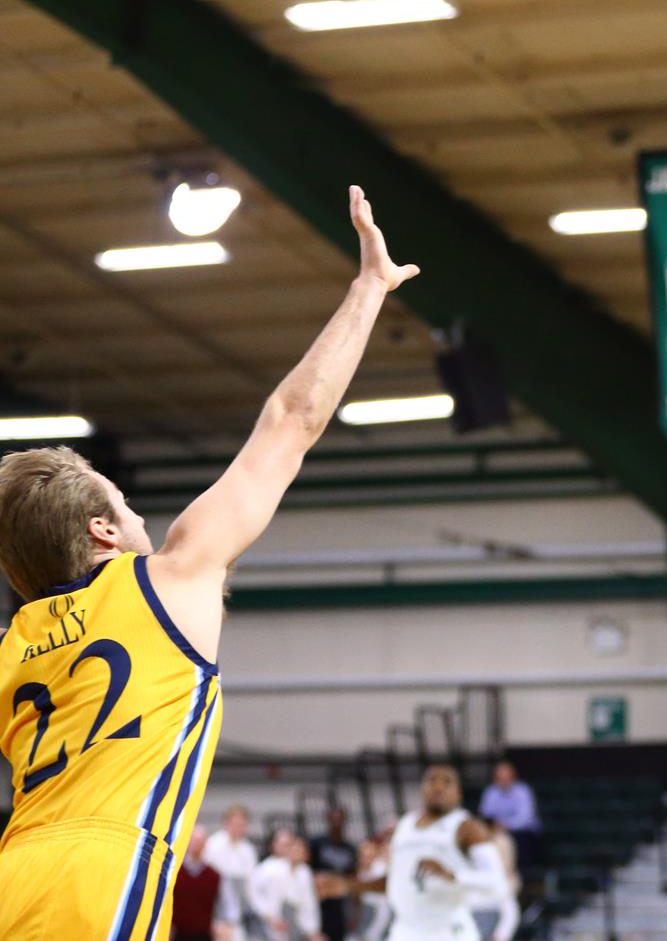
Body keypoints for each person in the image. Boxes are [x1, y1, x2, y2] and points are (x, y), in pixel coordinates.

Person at [0, 186, 415, 938]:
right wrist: (368, 288)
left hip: (13, 866)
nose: (141, 519)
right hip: (101, 871)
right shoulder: (169, 576)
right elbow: (292, 421)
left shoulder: (13, 644)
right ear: (101, 532)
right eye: (125, 506)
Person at [350, 765, 510, 941]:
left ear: (459, 793)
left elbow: (498, 883)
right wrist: (346, 886)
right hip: (405, 930)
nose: (438, 787)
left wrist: (451, 874)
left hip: (448, 931)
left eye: (447, 782)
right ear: (421, 789)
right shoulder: (404, 826)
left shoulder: (468, 828)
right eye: (431, 781)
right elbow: (395, 881)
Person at [249, 830, 323, 941]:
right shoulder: (265, 869)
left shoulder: (304, 872)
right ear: (273, 845)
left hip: (295, 924)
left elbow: (308, 903)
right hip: (271, 924)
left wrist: (312, 930)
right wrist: (270, 918)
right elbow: (254, 895)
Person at [476, 761, 541, 872]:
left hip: (522, 833)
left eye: (506, 777)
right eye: (500, 777)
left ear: (513, 777)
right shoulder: (491, 792)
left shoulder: (523, 791)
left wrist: (505, 825)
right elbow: (485, 814)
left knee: (520, 840)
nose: (503, 780)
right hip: (497, 831)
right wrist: (496, 826)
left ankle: (521, 874)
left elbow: (525, 818)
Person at [208, 806, 264, 936]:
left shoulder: (248, 849)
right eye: (236, 823)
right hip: (218, 909)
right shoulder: (213, 845)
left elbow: (252, 884)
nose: (239, 827)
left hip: (242, 909)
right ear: (226, 823)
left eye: (243, 824)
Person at [174, 825, 233, 941]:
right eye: (194, 841)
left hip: (205, 934)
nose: (197, 845)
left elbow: (226, 904)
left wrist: (223, 925)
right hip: (177, 934)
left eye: (200, 841)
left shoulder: (214, 875)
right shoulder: (175, 873)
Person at [311, 808, 360, 941]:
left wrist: (355, 913)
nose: (337, 823)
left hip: (341, 904)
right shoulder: (316, 843)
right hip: (321, 903)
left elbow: (353, 880)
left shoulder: (350, 848)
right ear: (328, 821)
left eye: (340, 820)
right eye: (334, 819)